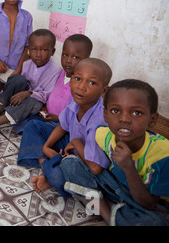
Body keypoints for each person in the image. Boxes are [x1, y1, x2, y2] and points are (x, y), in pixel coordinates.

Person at [61, 79, 169, 225]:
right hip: (112, 186)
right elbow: (94, 166)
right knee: (69, 163)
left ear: (152, 120)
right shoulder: (102, 134)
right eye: (115, 111)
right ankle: (110, 213)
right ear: (106, 115)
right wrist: (76, 145)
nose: (124, 119)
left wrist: (129, 168)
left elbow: (149, 204)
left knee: (156, 222)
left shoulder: (162, 154)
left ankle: (103, 208)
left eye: (136, 113)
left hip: (141, 201)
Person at [31, 58, 112, 197]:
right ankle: (48, 161)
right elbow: (63, 126)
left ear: (103, 90)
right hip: (70, 148)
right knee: (32, 126)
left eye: (91, 82)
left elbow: (95, 168)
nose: (81, 87)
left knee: (59, 176)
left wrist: (75, 143)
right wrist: (47, 146)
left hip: (84, 162)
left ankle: (49, 170)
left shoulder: (99, 122)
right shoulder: (76, 102)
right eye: (78, 79)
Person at [16, 34, 93, 167]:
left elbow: (75, 118)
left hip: (62, 128)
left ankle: (42, 160)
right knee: (27, 120)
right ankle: (43, 155)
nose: (68, 61)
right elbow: (52, 93)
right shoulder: (61, 74)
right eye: (65, 55)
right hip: (48, 118)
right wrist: (45, 106)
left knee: (32, 127)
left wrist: (57, 118)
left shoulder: (81, 86)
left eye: (75, 57)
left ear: (86, 60)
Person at [0, 29, 61, 132]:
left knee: (33, 101)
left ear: (52, 51)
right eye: (34, 49)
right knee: (17, 79)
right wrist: (22, 92)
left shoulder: (55, 70)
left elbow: (47, 95)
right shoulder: (27, 64)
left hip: (34, 101)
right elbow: (19, 84)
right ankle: (0, 104)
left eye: (44, 50)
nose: (38, 54)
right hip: (20, 96)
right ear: (29, 50)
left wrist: (28, 93)